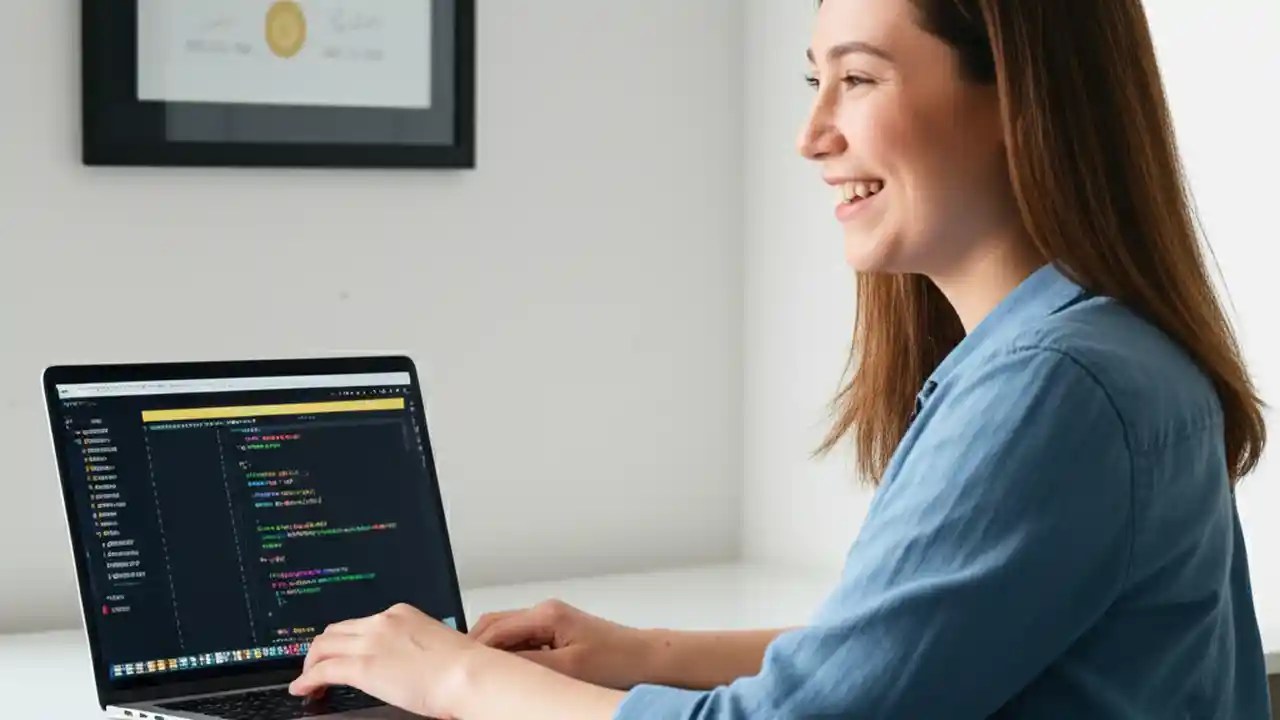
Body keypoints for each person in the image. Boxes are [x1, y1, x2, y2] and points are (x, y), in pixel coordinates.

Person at [287, 0, 1273, 717]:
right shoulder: (1111, 351)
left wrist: (459, 679)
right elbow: (899, 662)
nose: (810, 135)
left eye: (856, 78)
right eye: (813, 82)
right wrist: (640, 653)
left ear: (1015, 96)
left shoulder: (1053, 387)